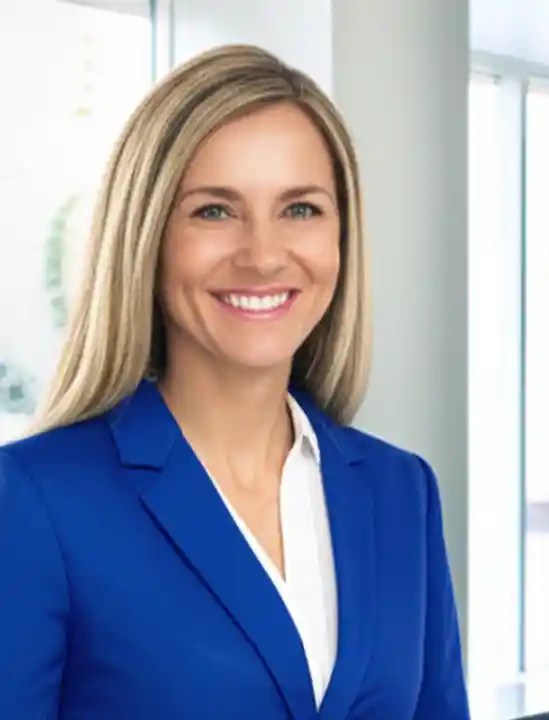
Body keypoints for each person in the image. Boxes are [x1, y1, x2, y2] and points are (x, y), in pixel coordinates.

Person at [0, 45, 468, 719]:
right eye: (215, 211)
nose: (263, 254)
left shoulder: (401, 492)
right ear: (148, 236)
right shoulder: (39, 502)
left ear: (342, 235)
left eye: (301, 209)